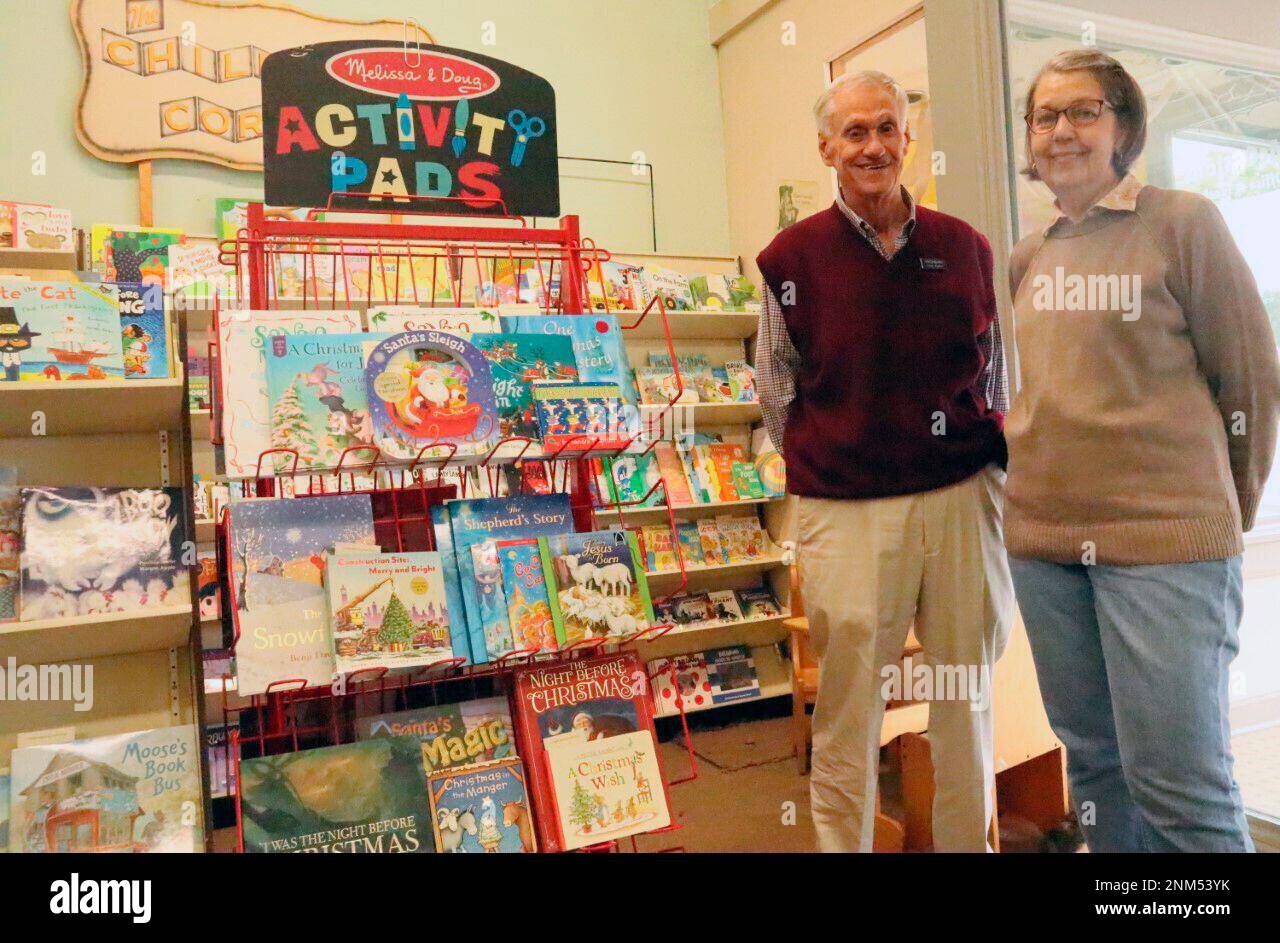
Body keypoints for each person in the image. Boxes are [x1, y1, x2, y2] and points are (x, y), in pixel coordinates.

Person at [1005, 49, 1280, 852]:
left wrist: (1218, 512)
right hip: (1046, 548)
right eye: (1045, 116)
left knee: (1180, 785)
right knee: (1094, 768)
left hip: (1164, 548)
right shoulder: (1031, 254)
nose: (1062, 130)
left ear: (1123, 127)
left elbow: (1252, 383)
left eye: (1084, 111)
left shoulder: (1182, 222)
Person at [755, 69, 1013, 852]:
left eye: (887, 129)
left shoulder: (964, 247)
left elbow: (996, 373)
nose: (873, 145)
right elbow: (777, 391)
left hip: (961, 497)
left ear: (907, 137)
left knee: (966, 693)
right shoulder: (789, 257)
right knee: (850, 703)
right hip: (849, 509)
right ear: (827, 147)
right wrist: (843, 451)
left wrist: (991, 475)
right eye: (855, 132)